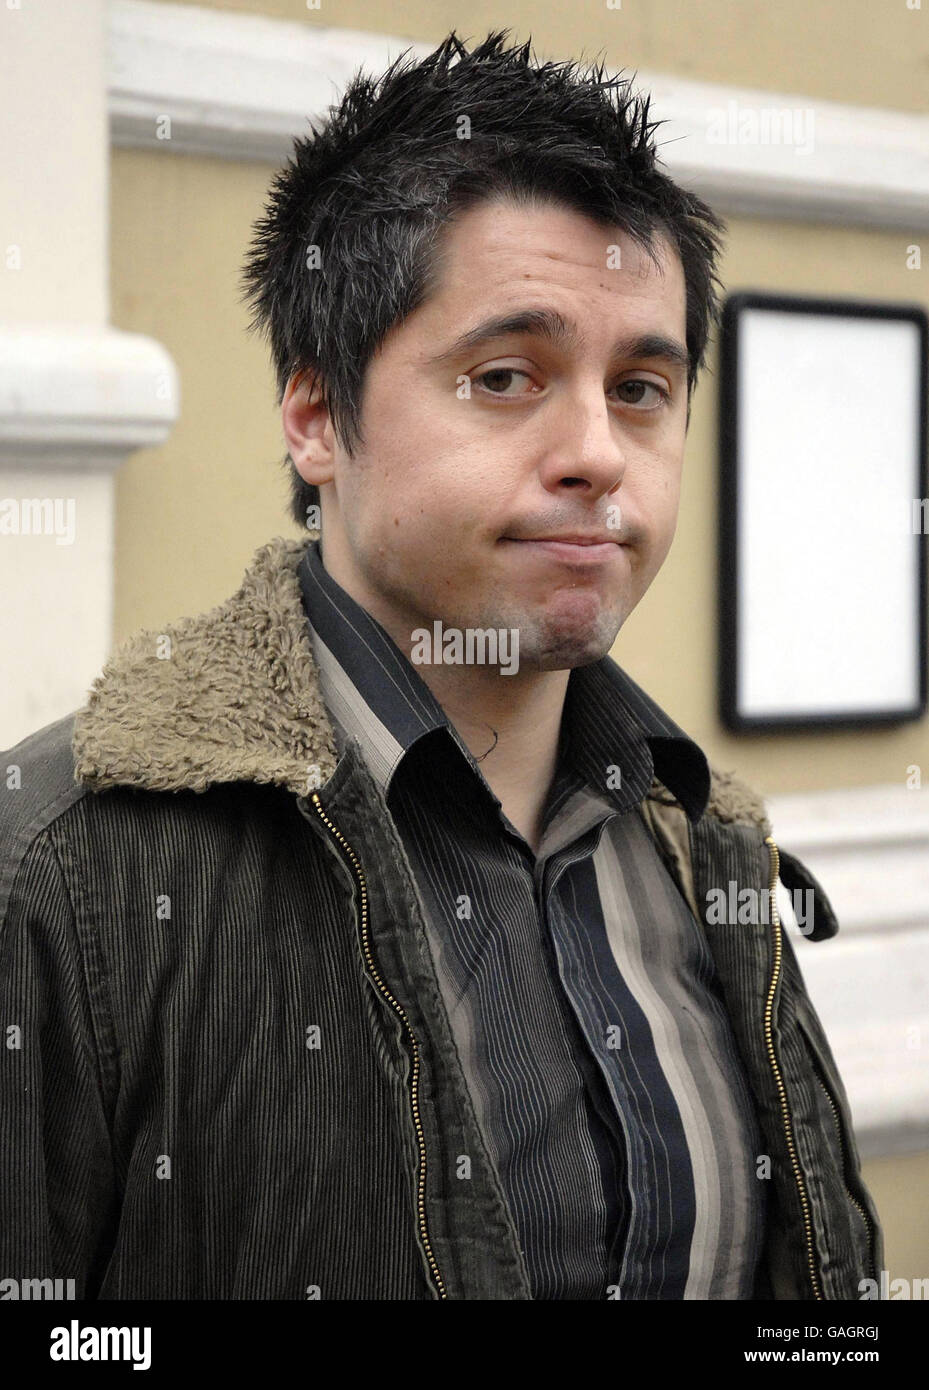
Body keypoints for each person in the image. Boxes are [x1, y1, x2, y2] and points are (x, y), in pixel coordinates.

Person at [0, 29, 880, 1300]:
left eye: (641, 386)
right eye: (505, 375)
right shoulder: (68, 872)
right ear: (315, 417)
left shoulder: (707, 850)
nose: (595, 452)